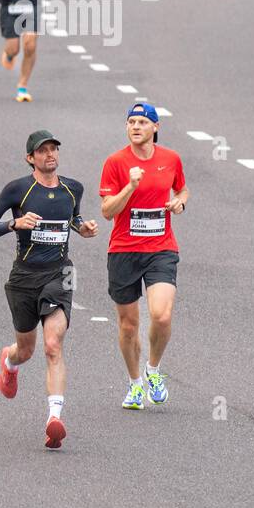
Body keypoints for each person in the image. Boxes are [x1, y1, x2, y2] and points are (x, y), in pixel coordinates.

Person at [0, 130, 98, 450]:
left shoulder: (73, 188)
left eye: (53, 149)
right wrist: (14, 224)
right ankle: (10, 362)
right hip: (23, 278)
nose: (50, 155)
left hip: (58, 274)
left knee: (52, 344)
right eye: (43, 151)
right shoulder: (17, 190)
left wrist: (83, 227)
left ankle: (53, 419)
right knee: (27, 349)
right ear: (30, 158)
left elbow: (73, 219)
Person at [99, 103, 189, 411]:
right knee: (128, 325)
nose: (135, 126)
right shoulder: (116, 162)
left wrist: (179, 202)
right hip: (124, 250)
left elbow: (183, 189)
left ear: (155, 127)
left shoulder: (171, 159)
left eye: (142, 121)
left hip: (161, 248)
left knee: (162, 315)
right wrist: (130, 186)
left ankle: (153, 370)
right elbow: (107, 210)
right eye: (131, 122)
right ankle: (135, 383)